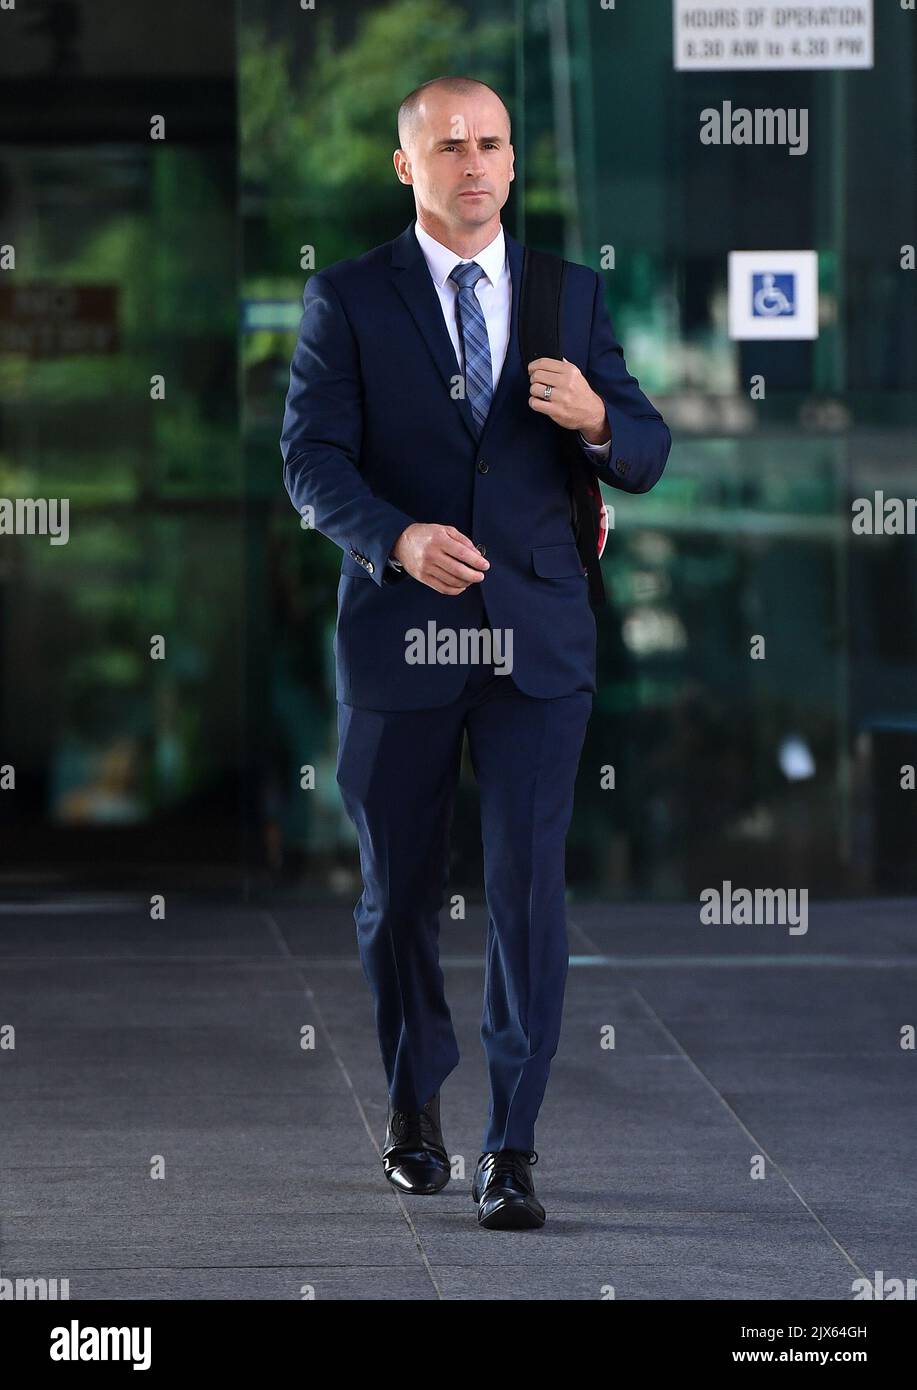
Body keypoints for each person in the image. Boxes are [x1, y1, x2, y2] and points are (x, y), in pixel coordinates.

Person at [281, 75, 670, 1230]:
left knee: (525, 895)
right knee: (399, 891)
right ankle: (412, 1108)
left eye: (491, 143)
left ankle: (512, 1145)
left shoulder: (569, 295)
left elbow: (645, 446)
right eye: (447, 145)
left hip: (534, 639)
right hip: (399, 636)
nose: (474, 164)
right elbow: (310, 463)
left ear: (512, 160)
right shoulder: (346, 298)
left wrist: (595, 417)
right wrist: (394, 537)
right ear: (408, 165)